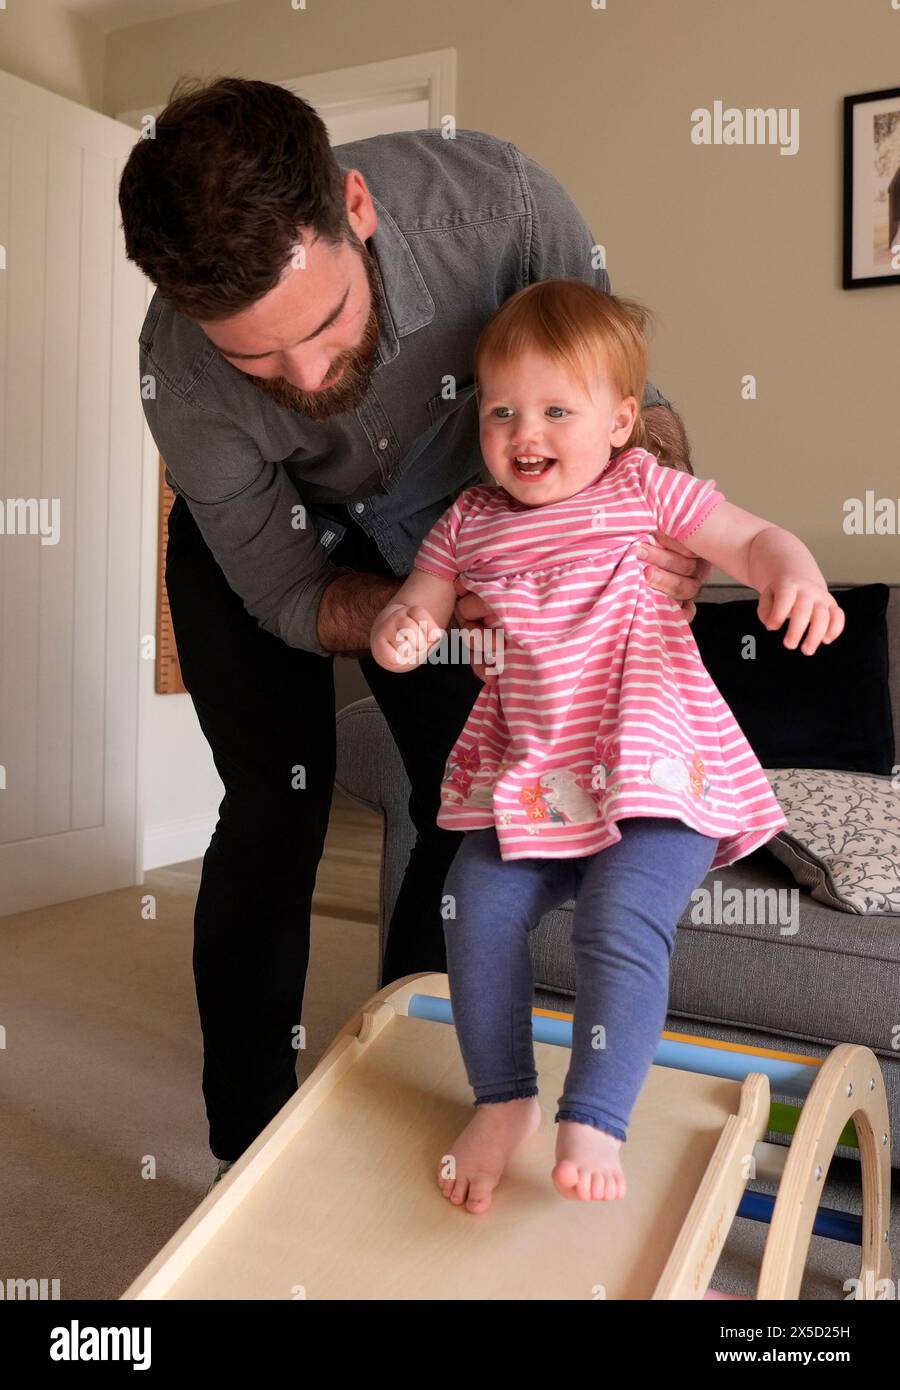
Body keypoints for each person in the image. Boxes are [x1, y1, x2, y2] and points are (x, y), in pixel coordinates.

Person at [119, 76, 709, 1172]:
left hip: (463, 526)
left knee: (467, 811)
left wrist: (653, 506)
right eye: (258, 358)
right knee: (270, 810)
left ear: (356, 207)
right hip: (272, 552)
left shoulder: (505, 210)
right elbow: (290, 592)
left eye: (326, 325)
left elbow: (619, 383)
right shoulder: (183, 376)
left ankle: (406, 1082)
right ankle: (246, 1144)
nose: (303, 377)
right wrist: (412, 612)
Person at [370, 277, 844, 1214]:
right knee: (472, 902)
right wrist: (404, 627)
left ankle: (595, 1113)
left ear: (622, 420)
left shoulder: (645, 489)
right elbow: (423, 596)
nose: (524, 432)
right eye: (501, 411)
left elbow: (750, 539)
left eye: (555, 409)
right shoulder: (469, 519)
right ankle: (502, 1099)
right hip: (534, 779)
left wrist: (794, 573)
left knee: (618, 922)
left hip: (653, 775)